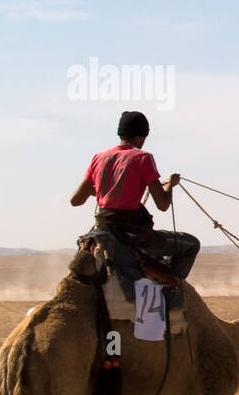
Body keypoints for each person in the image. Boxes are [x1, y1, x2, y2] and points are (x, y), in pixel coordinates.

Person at [71, 111, 200, 281]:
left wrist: (100, 189)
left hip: (103, 229)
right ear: (142, 137)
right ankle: (168, 286)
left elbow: (76, 200)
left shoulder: (99, 158)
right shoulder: (143, 158)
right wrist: (170, 185)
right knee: (191, 245)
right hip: (133, 234)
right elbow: (162, 204)